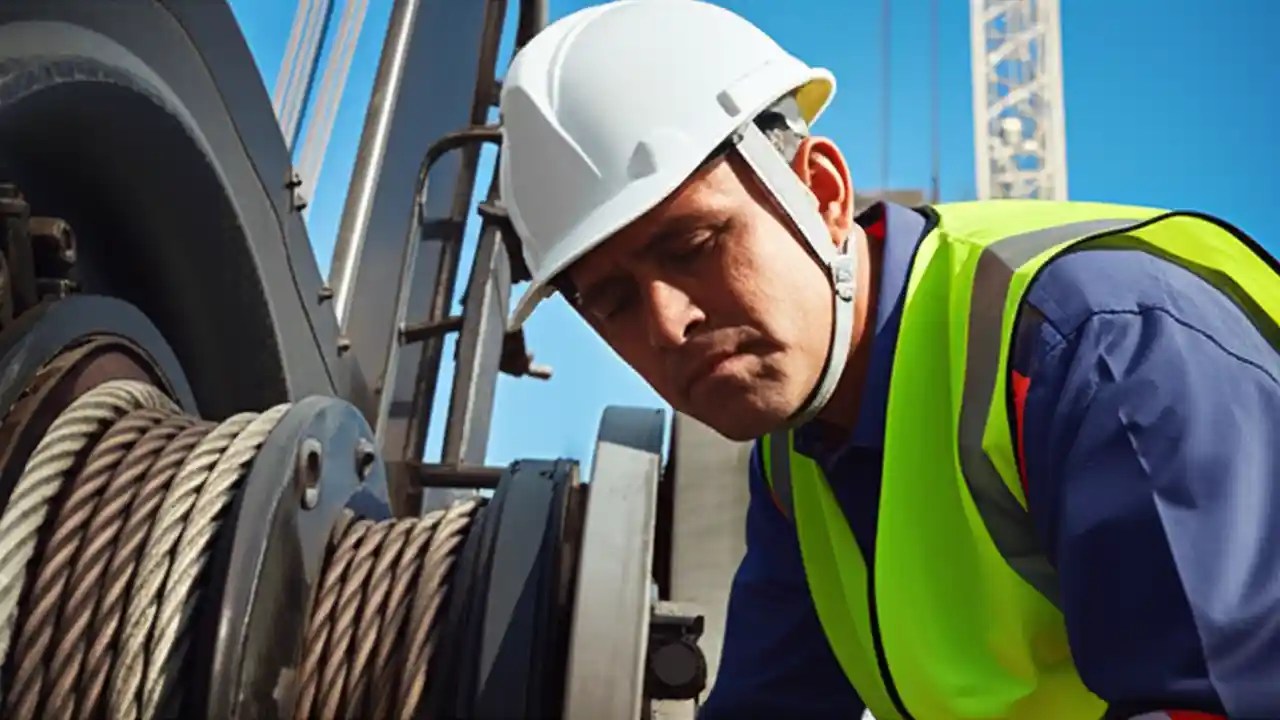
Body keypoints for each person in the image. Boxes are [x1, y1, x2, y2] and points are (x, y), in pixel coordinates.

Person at [496, 1, 1280, 718]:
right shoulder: (799, 460)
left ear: (822, 193)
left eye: (694, 245)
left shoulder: (1092, 345)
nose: (669, 324)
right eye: (615, 302)